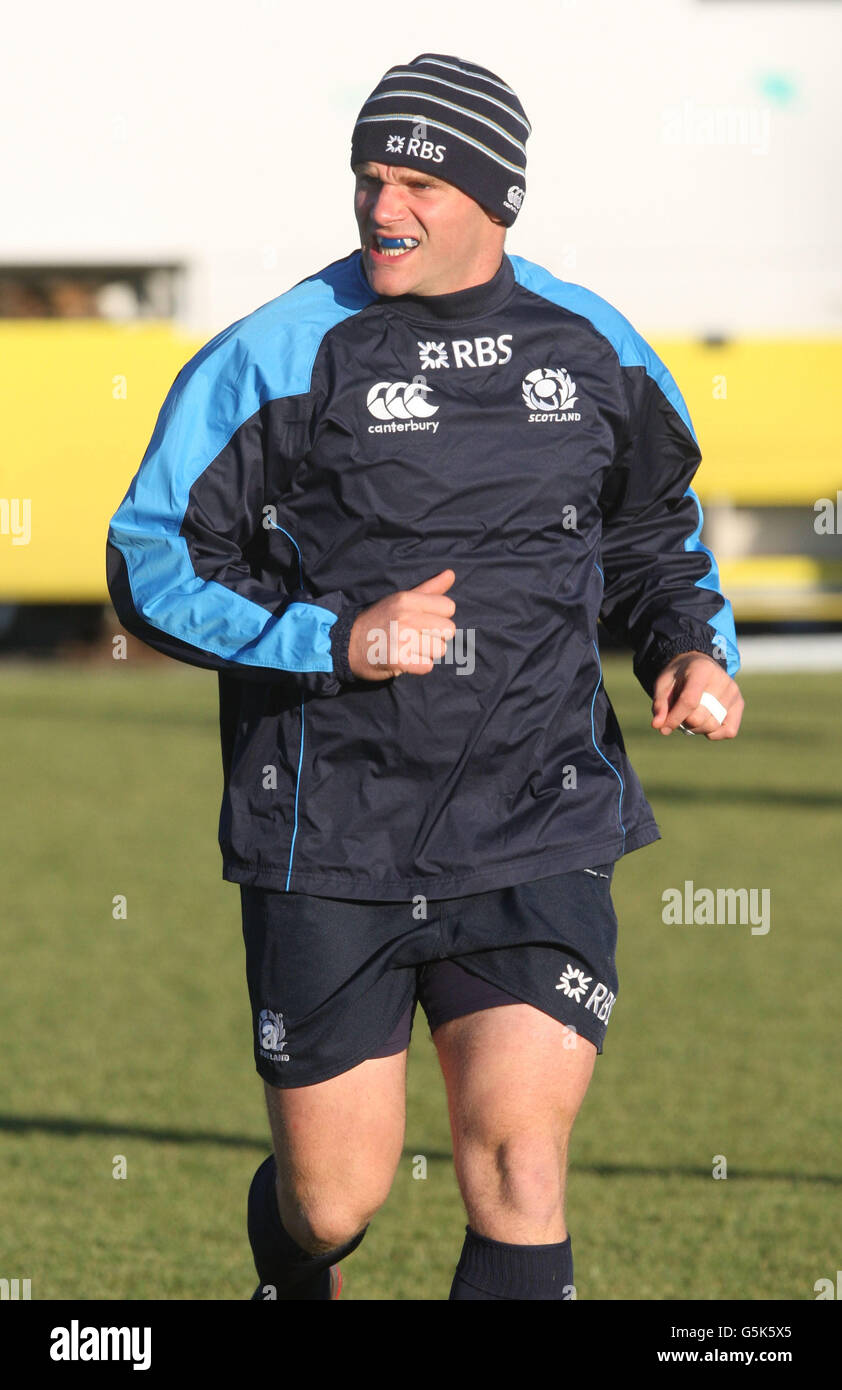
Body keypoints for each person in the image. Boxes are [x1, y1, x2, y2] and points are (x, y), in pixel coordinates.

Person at [106, 52, 744, 1302]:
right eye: (367, 176)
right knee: (332, 1201)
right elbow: (150, 558)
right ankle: (296, 1261)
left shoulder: (592, 344)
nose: (381, 206)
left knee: (517, 1159)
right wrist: (332, 637)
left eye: (415, 183)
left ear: (494, 197)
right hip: (332, 827)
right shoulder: (279, 352)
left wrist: (683, 641)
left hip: (535, 812)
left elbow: (648, 526)